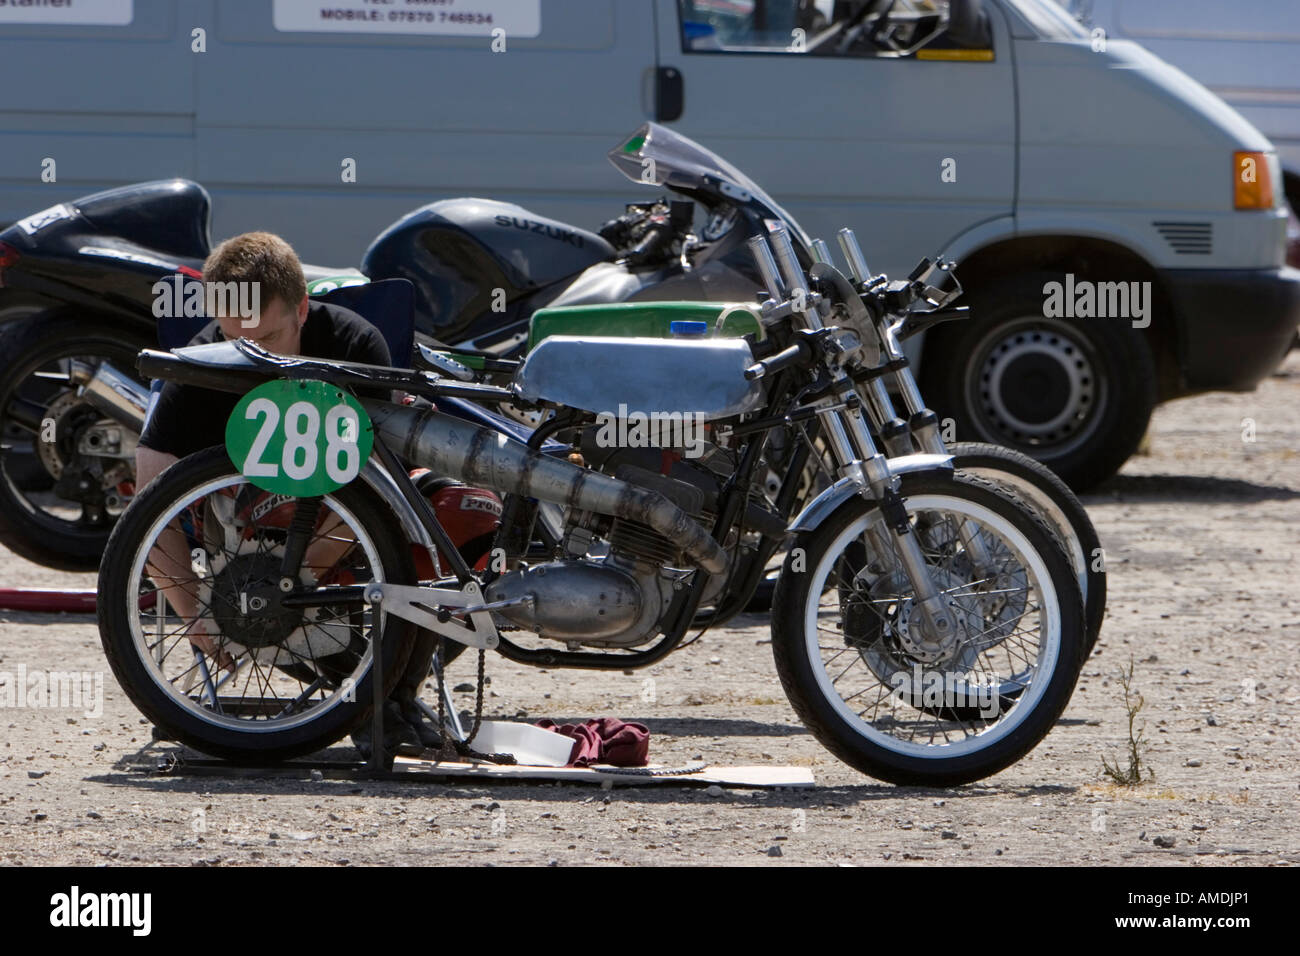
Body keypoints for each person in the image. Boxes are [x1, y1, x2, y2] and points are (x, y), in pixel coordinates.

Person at [136, 231, 443, 755]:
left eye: (268, 340)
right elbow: (147, 496)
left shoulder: (354, 345)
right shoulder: (204, 361)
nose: (253, 360)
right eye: (238, 343)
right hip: (246, 530)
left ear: (302, 309)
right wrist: (194, 615)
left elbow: (385, 482)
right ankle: (369, 694)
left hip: (347, 521)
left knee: (452, 507)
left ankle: (390, 695)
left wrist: (295, 583)